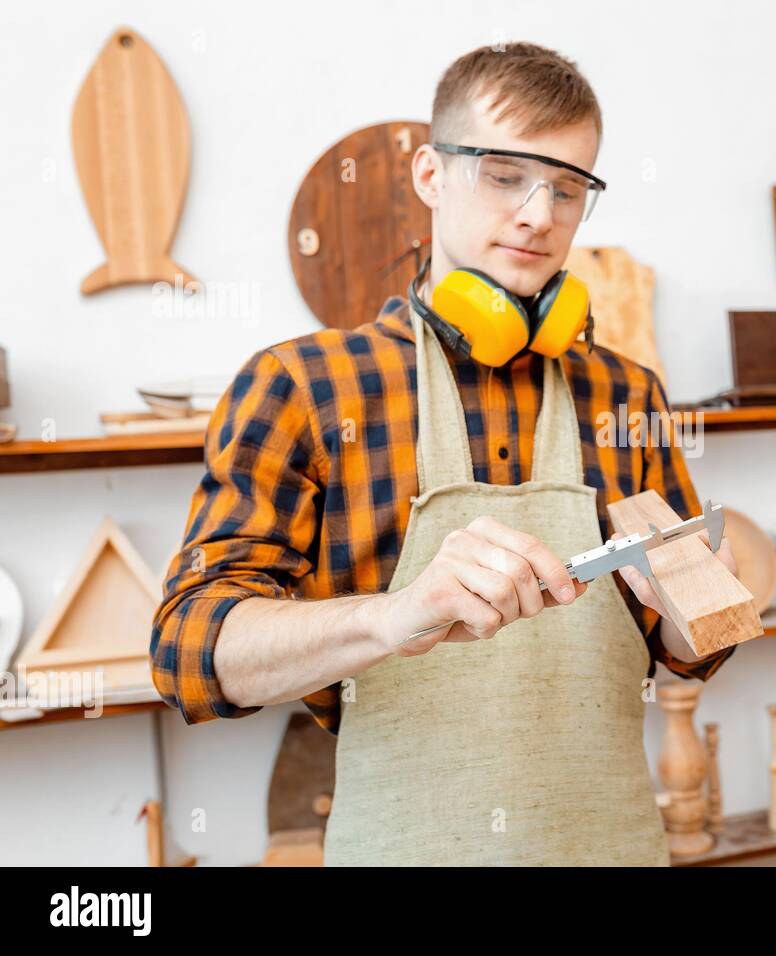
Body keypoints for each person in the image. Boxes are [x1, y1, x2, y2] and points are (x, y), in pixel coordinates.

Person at [150, 42, 739, 866]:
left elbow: (684, 654)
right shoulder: (307, 386)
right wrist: (392, 617)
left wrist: (702, 600)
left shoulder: (627, 394)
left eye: (568, 188)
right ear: (430, 175)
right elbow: (187, 651)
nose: (539, 213)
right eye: (504, 175)